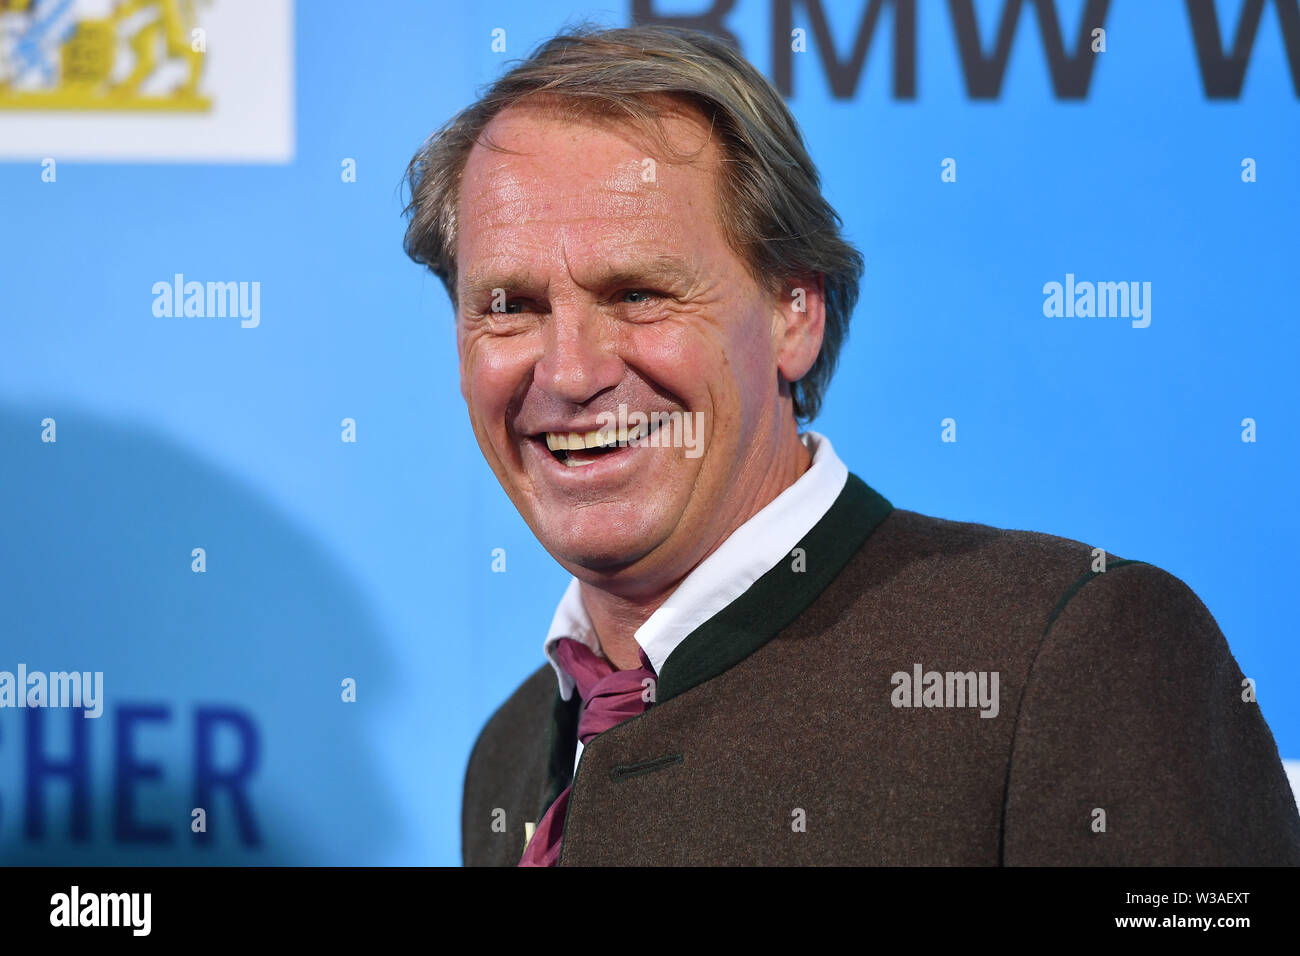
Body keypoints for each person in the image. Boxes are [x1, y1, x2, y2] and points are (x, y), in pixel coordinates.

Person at [401, 24, 1300, 866]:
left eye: (639, 294)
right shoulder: (511, 752)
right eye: (510, 307)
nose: (568, 372)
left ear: (797, 311)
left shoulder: (1073, 658)